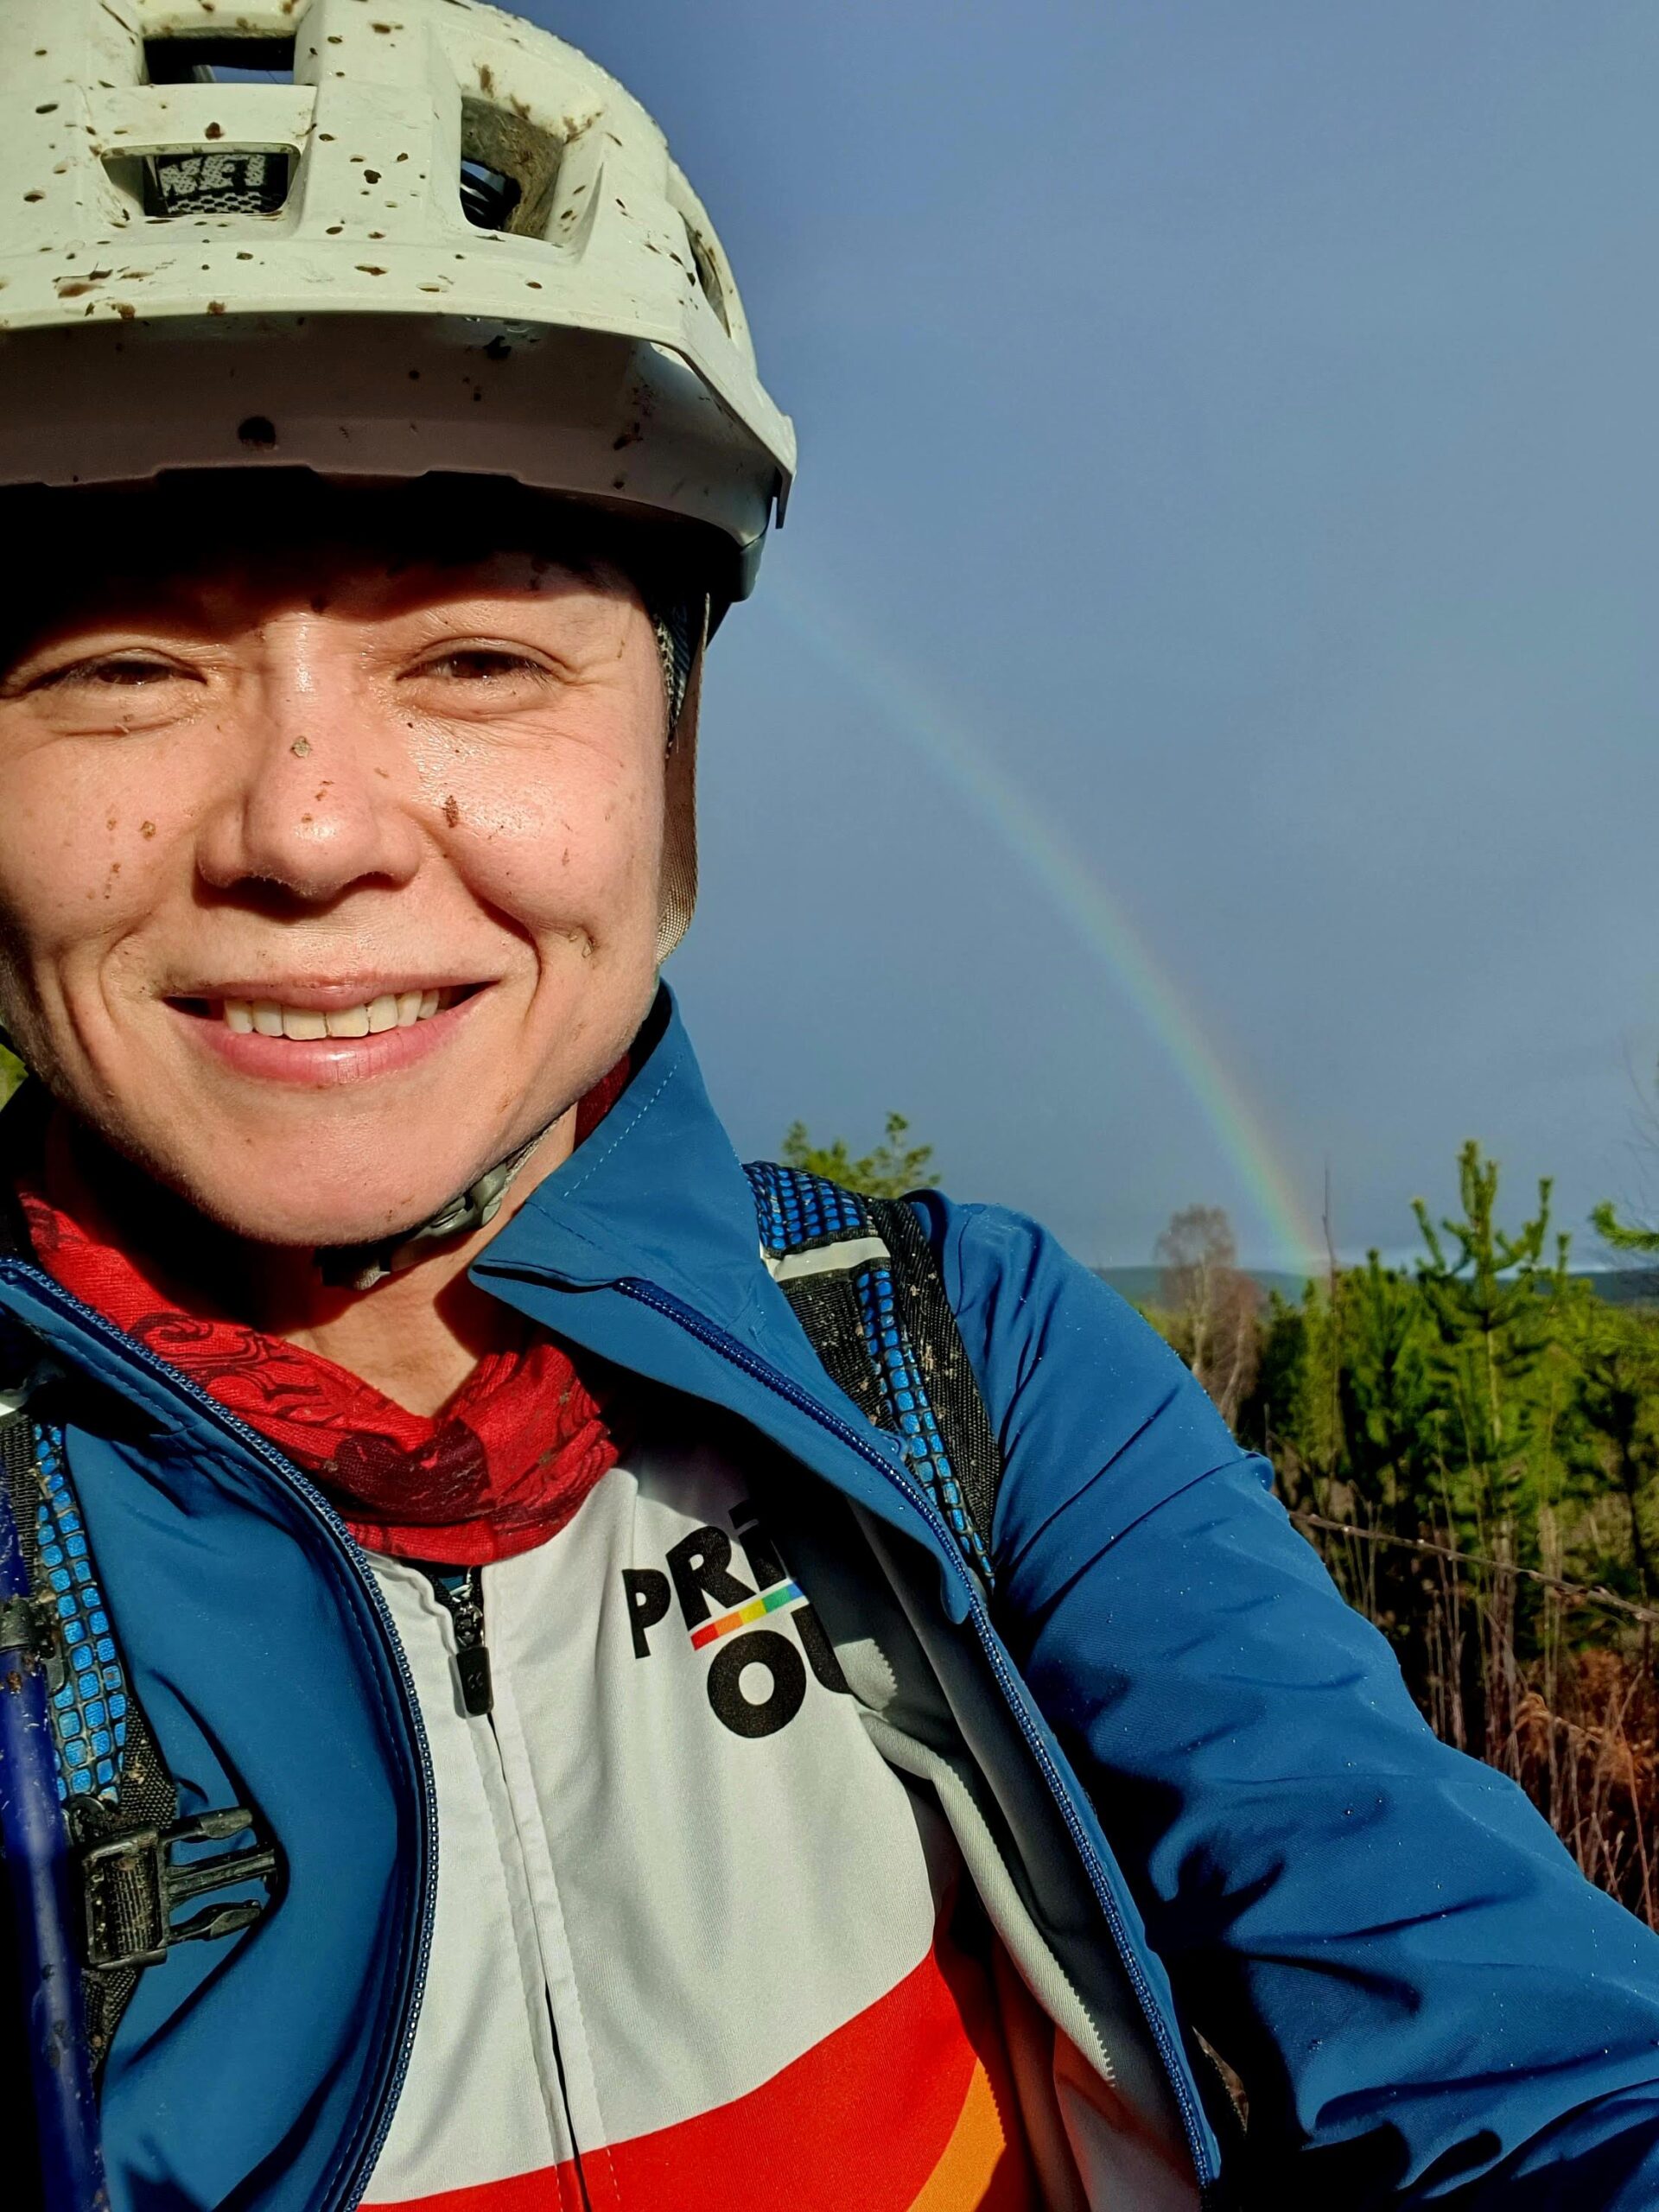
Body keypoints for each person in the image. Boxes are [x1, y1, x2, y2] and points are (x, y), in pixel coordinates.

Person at [2, 3, 1659, 2209]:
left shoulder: (952, 1355)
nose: (307, 829)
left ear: (673, 778)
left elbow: (1523, 2050)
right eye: (120, 665)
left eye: (480, 657)